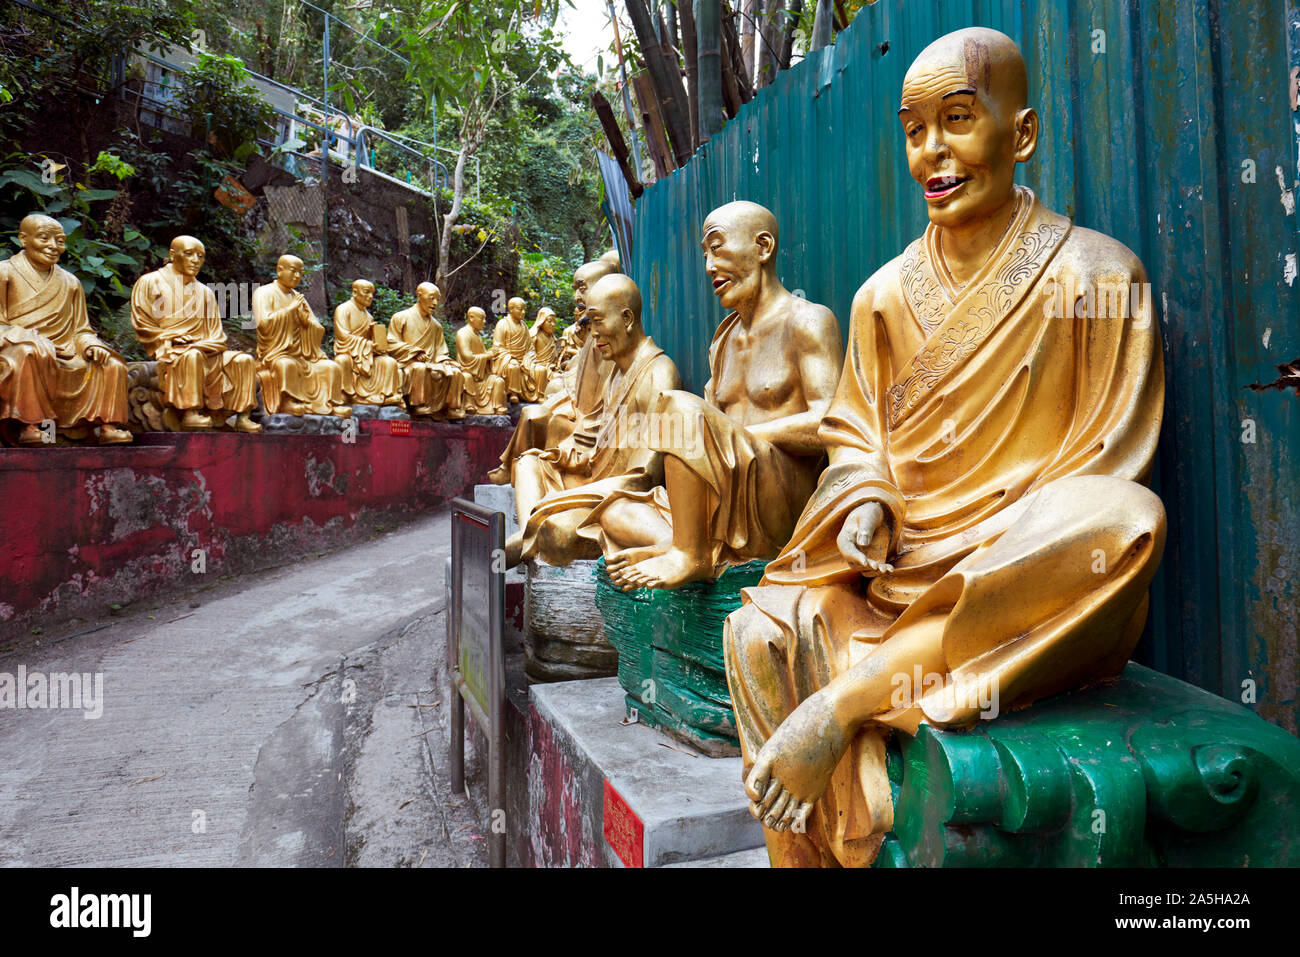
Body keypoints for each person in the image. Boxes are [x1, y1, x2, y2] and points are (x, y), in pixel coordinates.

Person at [722, 27, 1166, 868]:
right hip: (905, 563)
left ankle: (845, 703)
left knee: (1126, 518)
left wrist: (1002, 541)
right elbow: (856, 437)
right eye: (914, 129)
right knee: (757, 627)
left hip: (1025, 580)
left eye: (957, 119)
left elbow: (1104, 465)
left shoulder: (1099, 279)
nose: (933, 152)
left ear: (1021, 133)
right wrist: (864, 501)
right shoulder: (881, 297)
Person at [591, 201, 844, 590]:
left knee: (678, 405)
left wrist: (736, 436)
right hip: (726, 490)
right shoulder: (723, 340)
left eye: (718, 247)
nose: (709, 266)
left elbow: (830, 423)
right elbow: (707, 431)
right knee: (615, 511)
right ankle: (680, 544)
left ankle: (688, 555)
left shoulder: (808, 321)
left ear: (763, 248)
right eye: (705, 253)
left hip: (779, 500)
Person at [0, 214, 131, 444]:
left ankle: (107, 428)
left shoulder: (70, 282)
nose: (53, 247)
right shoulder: (5, 273)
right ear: (23, 239)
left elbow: (81, 329)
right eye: (44, 238)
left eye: (59, 241)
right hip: (20, 346)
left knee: (111, 364)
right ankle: (30, 426)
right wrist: (27, 338)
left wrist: (90, 344)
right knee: (31, 353)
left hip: (65, 350)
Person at [130, 235, 260, 432]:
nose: (195, 260)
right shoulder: (150, 282)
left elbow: (217, 335)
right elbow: (142, 322)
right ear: (173, 255)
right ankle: (191, 412)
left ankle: (242, 416)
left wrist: (203, 343)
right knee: (191, 356)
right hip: (173, 349)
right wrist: (168, 336)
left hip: (204, 348)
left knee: (243, 361)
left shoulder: (205, 292)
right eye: (189, 254)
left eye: (200, 256)